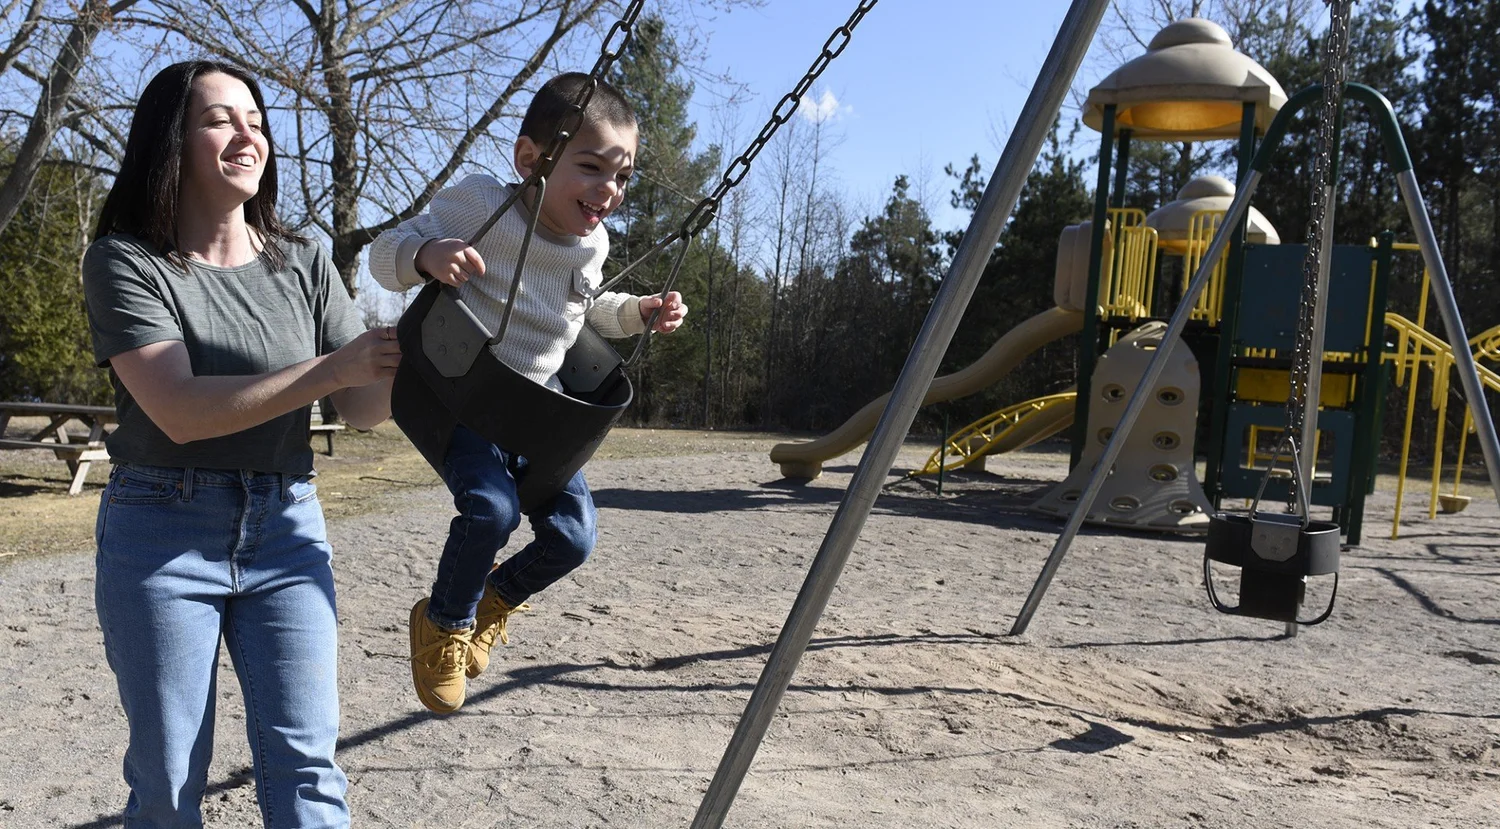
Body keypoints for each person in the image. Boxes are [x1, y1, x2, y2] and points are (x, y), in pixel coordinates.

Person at [81, 60, 400, 827]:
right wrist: (331, 366)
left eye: (256, 119)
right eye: (220, 118)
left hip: (287, 526)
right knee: (167, 778)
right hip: (162, 530)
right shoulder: (126, 261)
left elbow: (362, 407)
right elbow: (179, 409)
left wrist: (431, 338)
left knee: (309, 765)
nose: (247, 133)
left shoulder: (305, 261)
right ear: (172, 141)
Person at [368, 72, 687, 714]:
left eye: (622, 178)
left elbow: (588, 309)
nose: (609, 191)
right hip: (463, 398)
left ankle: (494, 598)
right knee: (492, 511)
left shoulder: (592, 244)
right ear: (529, 160)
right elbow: (382, 251)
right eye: (593, 168)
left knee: (573, 537)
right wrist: (427, 254)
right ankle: (443, 624)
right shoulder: (481, 205)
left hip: (535, 411)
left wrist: (638, 313)